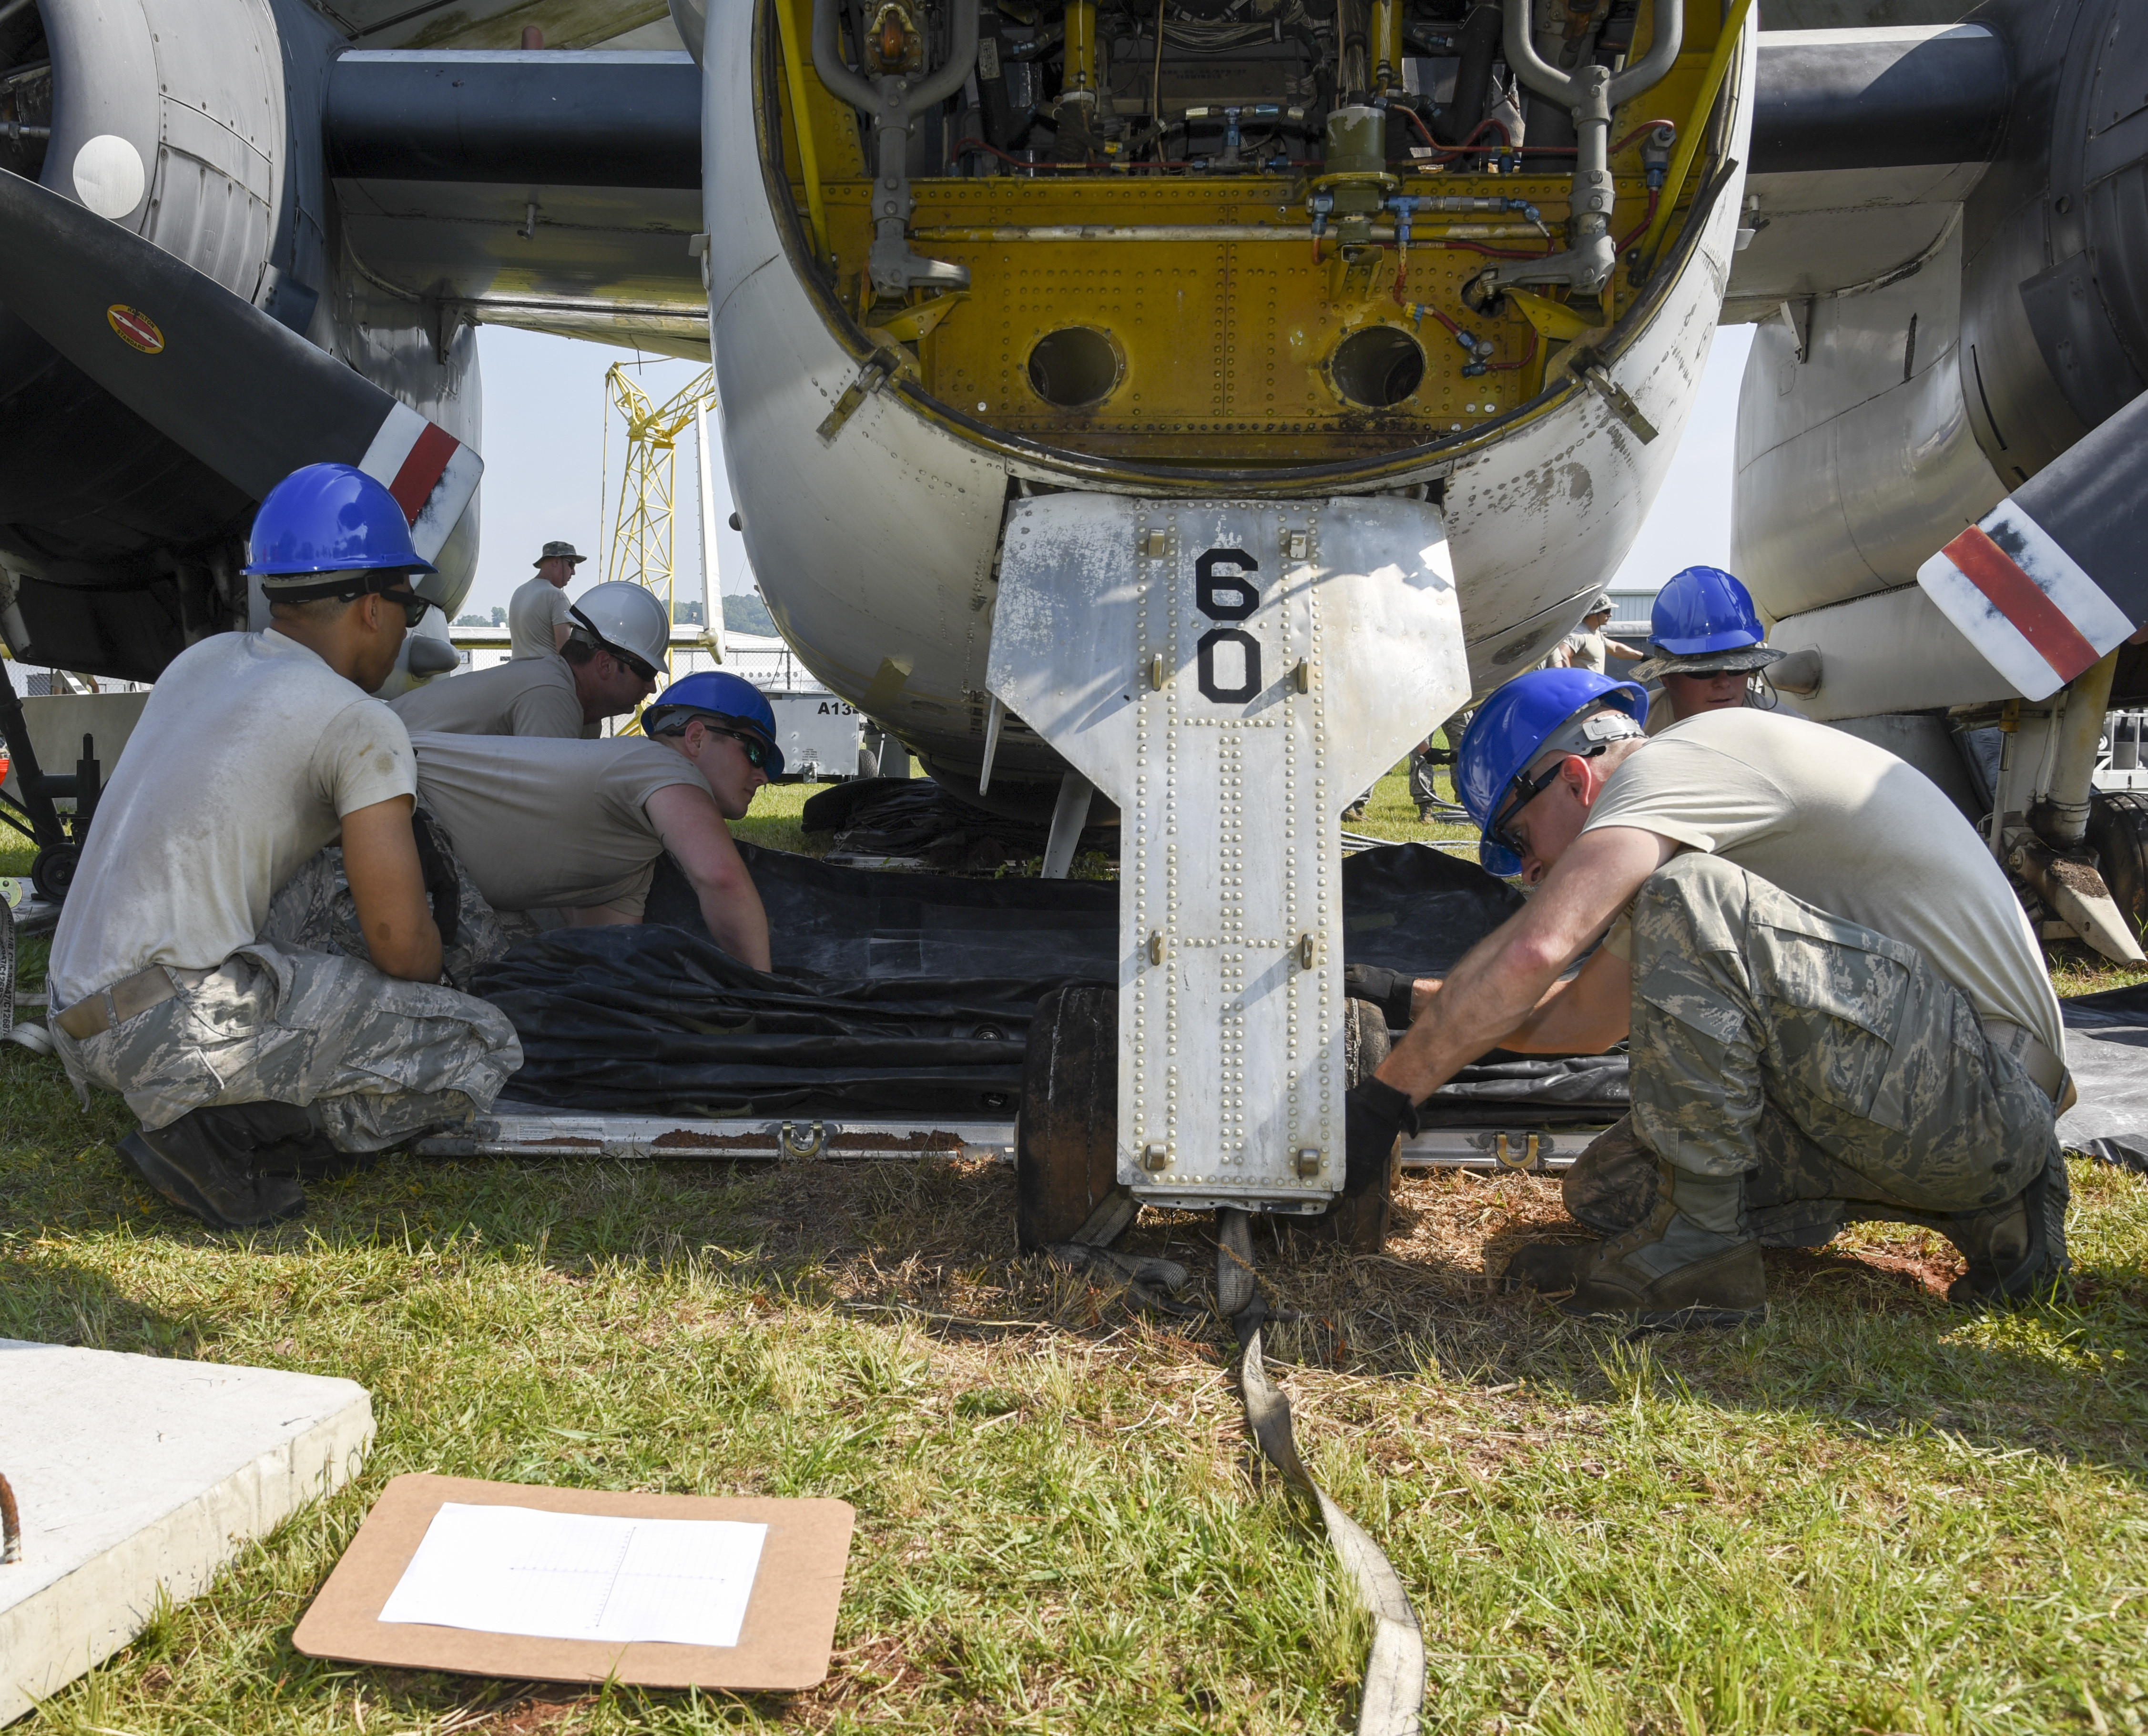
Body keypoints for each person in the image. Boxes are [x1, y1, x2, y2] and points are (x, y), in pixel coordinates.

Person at [1341, 668, 2070, 1328]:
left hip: (1984, 1090)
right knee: (1609, 1190)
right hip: (1928, 1096)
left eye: (1518, 837)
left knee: (1686, 897)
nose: (1527, 869)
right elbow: (1583, 1018)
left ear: (1571, 778)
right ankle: (1994, 1214)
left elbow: (1536, 949)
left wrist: (1384, 1100)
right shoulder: (1692, 822)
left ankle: (1700, 1259)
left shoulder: (1673, 766)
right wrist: (1407, 995)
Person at [46, 464, 523, 1229]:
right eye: (410, 605)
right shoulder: (358, 721)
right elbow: (402, 948)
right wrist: (436, 992)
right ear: (373, 606)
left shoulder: (202, 662)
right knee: (480, 1046)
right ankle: (216, 1132)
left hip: (77, 1002)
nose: (408, 627)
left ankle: (203, 1092)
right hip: (165, 1023)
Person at [405, 671, 780, 968]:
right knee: (485, 997)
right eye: (753, 751)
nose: (762, 775)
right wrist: (766, 1000)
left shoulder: (629, 864)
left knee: (530, 978)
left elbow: (606, 961)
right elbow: (722, 879)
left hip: (418, 845)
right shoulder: (658, 763)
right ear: (696, 737)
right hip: (387, 809)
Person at [392, 581, 669, 738]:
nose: (652, 688)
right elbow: (547, 811)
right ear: (605, 664)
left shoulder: (572, 704)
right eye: (645, 672)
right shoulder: (552, 695)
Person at [1633, 566, 1782, 733]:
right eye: (1703, 672)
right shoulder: (1630, 733)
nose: (1724, 682)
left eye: (1737, 668)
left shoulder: (1788, 730)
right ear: (1665, 676)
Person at [508, 540, 584, 660]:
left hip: (517, 673)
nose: (573, 572)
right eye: (571, 565)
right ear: (556, 562)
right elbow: (565, 651)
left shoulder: (519, 592)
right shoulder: (556, 596)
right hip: (546, 674)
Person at [1561, 595, 1648, 673]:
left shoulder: (1596, 634)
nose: (1610, 615)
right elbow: (1562, 653)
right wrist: (1570, 680)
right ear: (1594, 613)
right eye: (1607, 611)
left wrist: (1645, 657)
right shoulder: (1579, 635)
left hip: (1594, 689)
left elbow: (1616, 649)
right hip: (1582, 690)